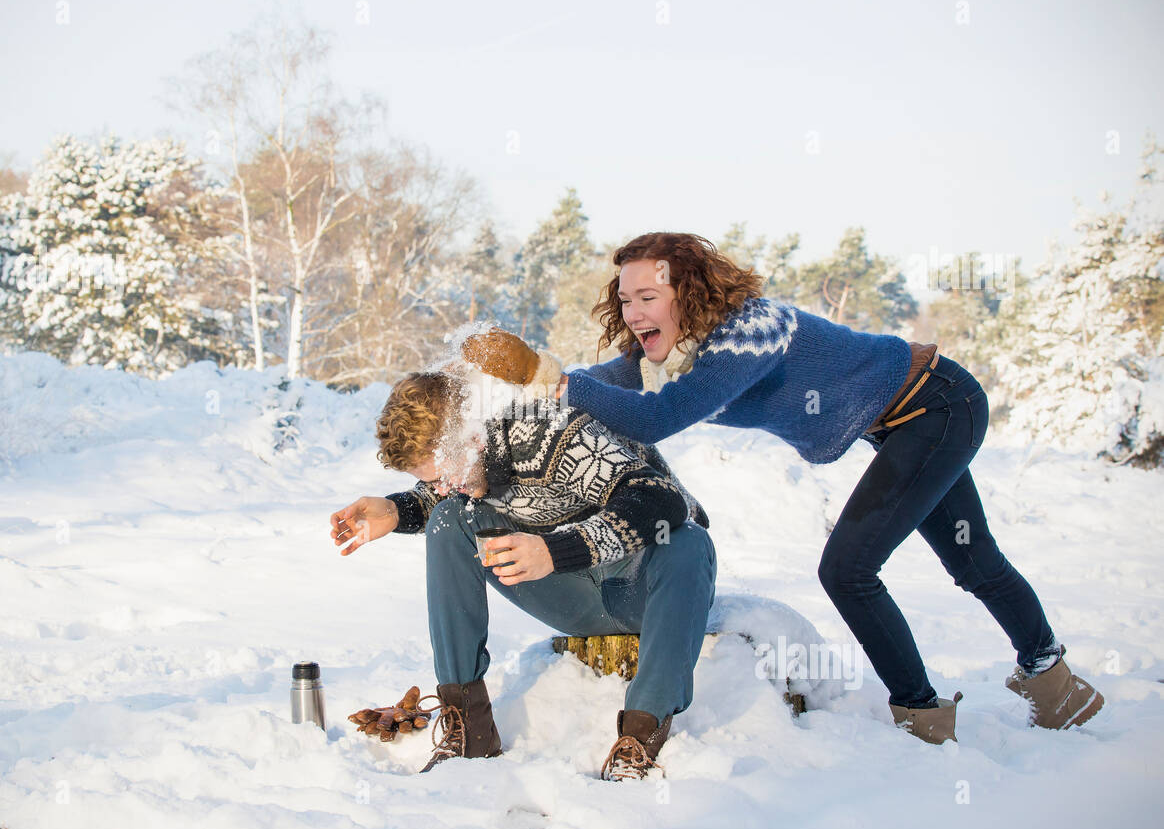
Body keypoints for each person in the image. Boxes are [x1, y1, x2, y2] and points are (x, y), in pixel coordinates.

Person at [461, 232, 1104, 745]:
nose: (632, 312)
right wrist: (513, 399)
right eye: (624, 298)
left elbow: (655, 419)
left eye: (647, 296)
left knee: (850, 569)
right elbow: (602, 391)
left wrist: (550, 376)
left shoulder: (752, 328)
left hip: (939, 403)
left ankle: (921, 716)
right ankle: (1053, 681)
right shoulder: (669, 352)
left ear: (687, 289)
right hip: (903, 423)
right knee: (972, 557)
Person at [329, 370, 717, 779]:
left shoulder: (551, 428)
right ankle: (469, 730)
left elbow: (661, 498)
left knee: (688, 541)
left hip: (644, 587)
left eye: (441, 476)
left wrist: (555, 550)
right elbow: (451, 490)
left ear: (475, 436)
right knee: (448, 517)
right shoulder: (469, 458)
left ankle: (639, 740)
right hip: (574, 598)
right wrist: (396, 511)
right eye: (430, 480)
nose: (440, 487)